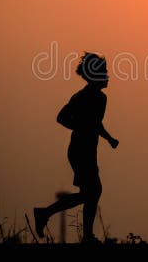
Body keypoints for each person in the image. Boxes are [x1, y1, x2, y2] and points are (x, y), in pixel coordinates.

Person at [33, 52, 119, 244]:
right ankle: (85, 235)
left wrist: (109, 138)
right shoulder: (81, 97)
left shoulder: (101, 99)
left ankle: (46, 213)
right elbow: (61, 117)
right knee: (93, 191)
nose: (107, 76)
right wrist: (80, 127)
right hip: (79, 150)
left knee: (91, 193)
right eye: (104, 72)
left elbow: (96, 124)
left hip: (89, 149)